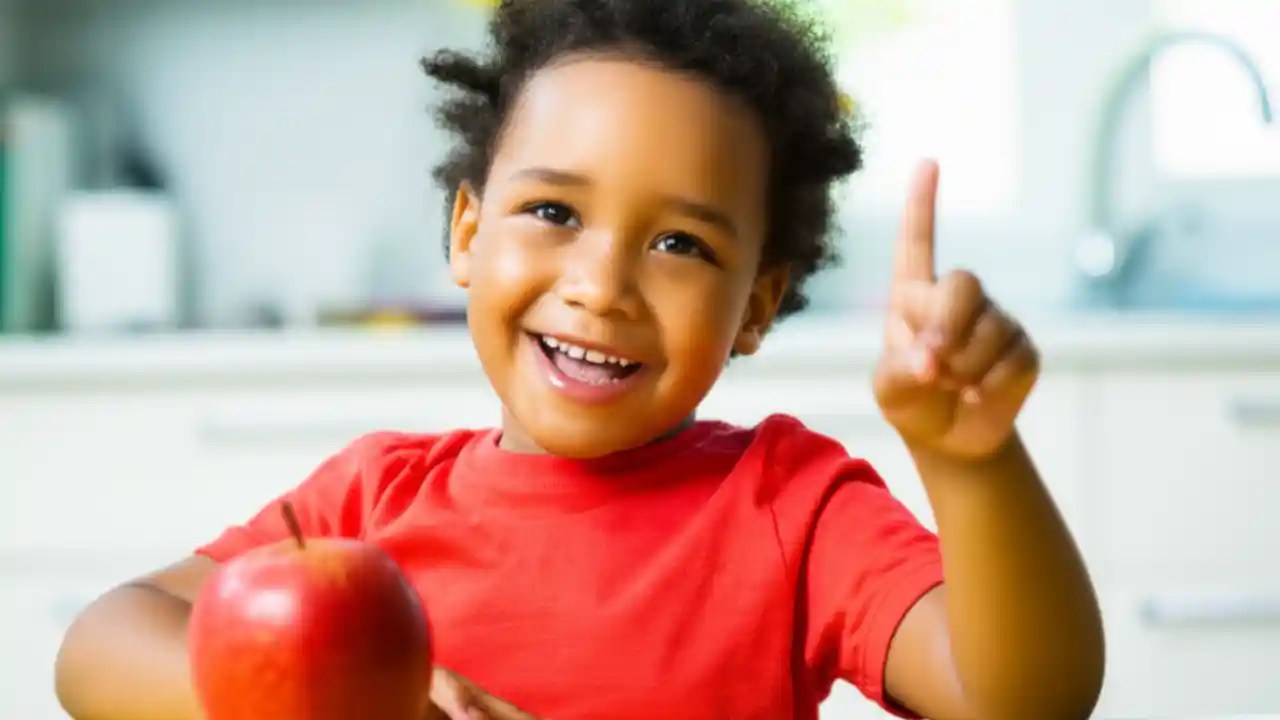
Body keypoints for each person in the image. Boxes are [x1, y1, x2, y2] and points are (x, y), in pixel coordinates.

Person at [54, 1, 1105, 718]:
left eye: (679, 244)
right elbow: (97, 650)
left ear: (757, 305)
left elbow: (1021, 697)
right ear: (467, 231)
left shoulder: (791, 504)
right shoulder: (370, 502)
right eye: (552, 210)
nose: (600, 284)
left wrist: (971, 460)